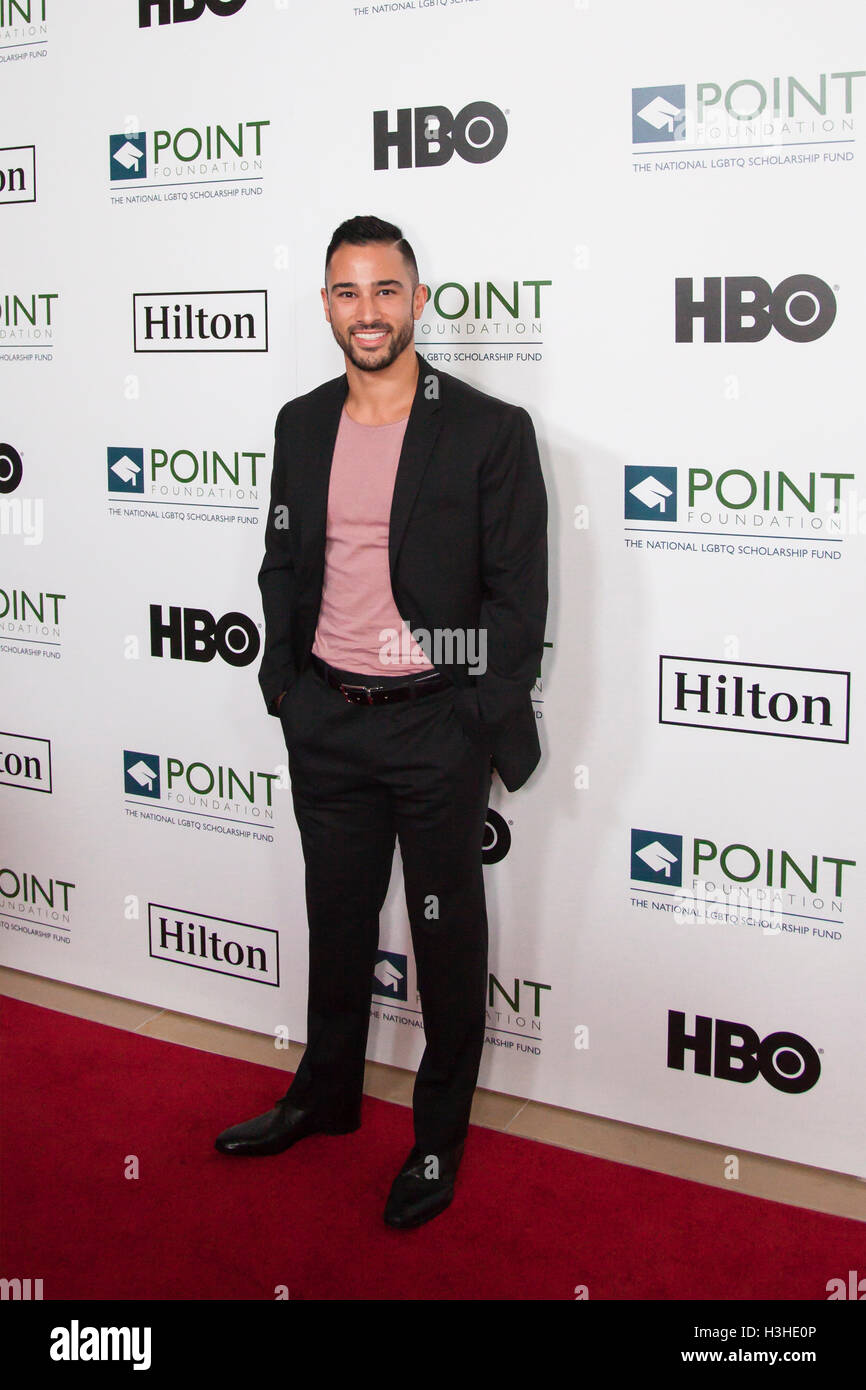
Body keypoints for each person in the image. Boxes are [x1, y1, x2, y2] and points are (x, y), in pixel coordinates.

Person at [215, 215, 548, 1229]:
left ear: (417, 297)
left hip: (431, 730)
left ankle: (437, 1138)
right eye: (348, 293)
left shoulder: (487, 429)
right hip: (326, 721)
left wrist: (469, 720)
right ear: (326, 305)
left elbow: (514, 603)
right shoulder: (300, 421)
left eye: (386, 290)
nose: (368, 312)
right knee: (338, 918)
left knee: (444, 940)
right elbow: (283, 562)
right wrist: (285, 683)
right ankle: (324, 1093)